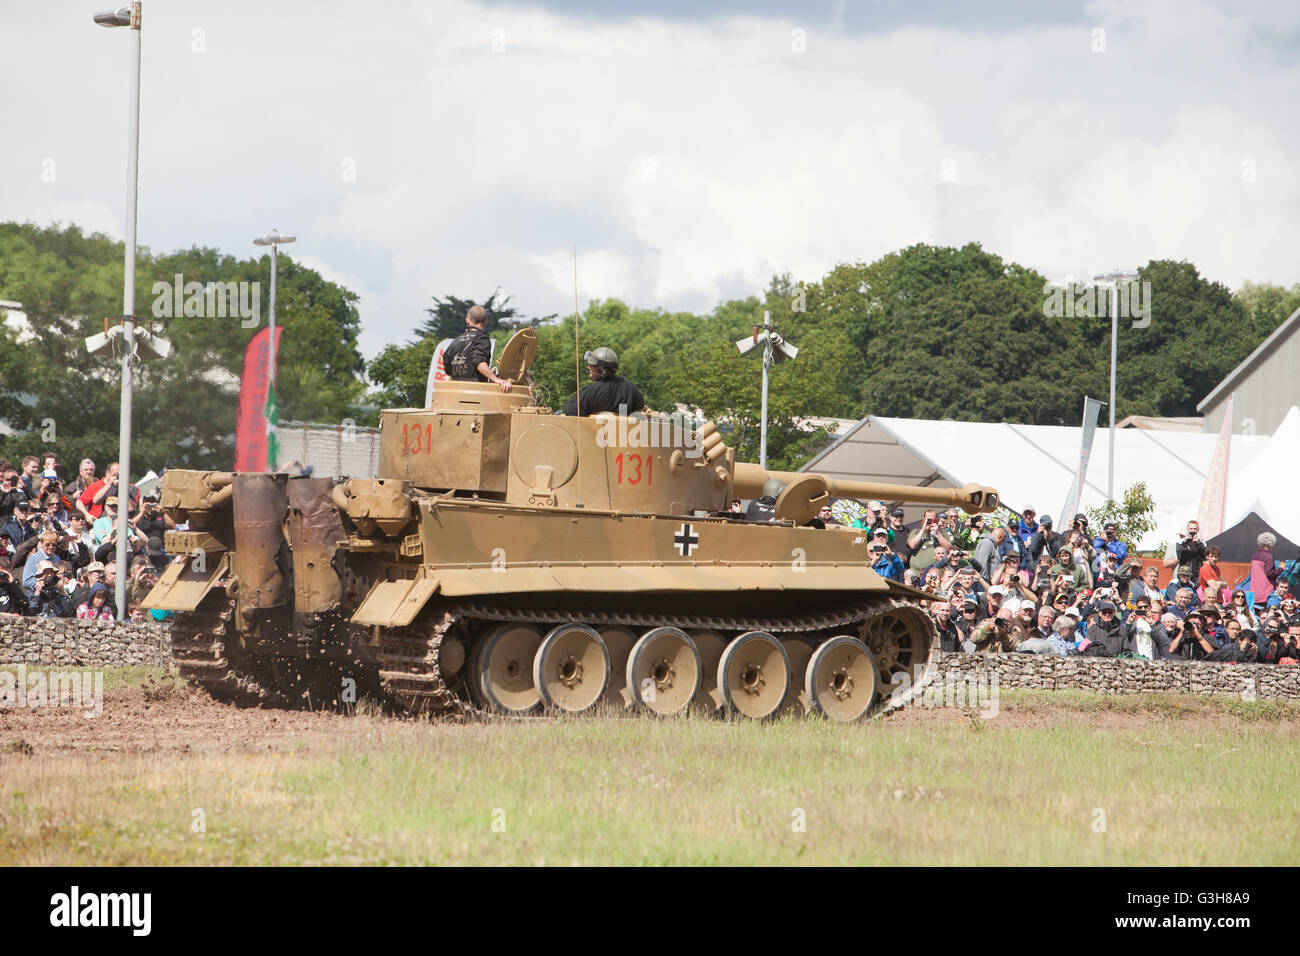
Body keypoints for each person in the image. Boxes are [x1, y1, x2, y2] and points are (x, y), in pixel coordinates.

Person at [442, 305, 512, 391]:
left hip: (456, 391)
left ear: (467, 320)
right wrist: (495, 379)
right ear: (486, 322)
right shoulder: (481, 338)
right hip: (475, 392)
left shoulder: (455, 341)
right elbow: (479, 362)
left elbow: (447, 366)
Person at [562, 347, 645, 417]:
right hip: (624, 433)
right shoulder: (630, 388)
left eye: (592, 365)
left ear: (602, 370)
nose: (589, 367)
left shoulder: (591, 391)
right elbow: (640, 405)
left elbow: (570, 410)